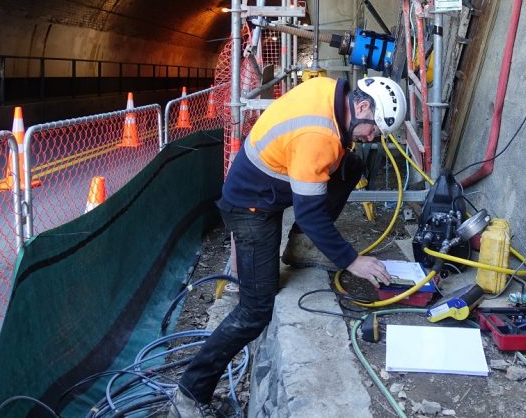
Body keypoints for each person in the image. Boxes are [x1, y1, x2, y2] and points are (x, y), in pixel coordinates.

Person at [170, 75, 407, 417]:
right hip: (251, 206)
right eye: (373, 129)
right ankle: (189, 395)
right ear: (363, 106)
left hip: (267, 186)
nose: (372, 138)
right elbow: (311, 214)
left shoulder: (331, 94)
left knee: (351, 163)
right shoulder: (319, 135)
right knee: (256, 309)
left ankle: (300, 247)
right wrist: (352, 260)